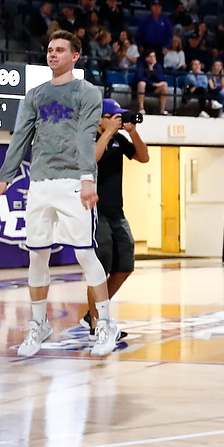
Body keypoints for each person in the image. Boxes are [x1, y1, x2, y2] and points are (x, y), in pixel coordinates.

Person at [0, 34, 116, 356]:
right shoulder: (35, 95)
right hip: (41, 182)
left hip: (73, 181)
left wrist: (87, 179)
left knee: (85, 254)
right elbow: (20, 137)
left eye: (60, 50)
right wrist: (5, 178)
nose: (53, 54)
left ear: (75, 56)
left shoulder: (87, 92)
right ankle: (39, 324)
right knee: (37, 255)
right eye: (49, 50)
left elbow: (86, 136)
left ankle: (105, 324)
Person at [82, 99, 149, 334]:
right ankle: (97, 323)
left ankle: (94, 312)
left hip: (117, 212)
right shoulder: (88, 138)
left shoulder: (120, 140)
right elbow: (91, 159)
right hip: (95, 211)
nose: (117, 121)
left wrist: (133, 133)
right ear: (100, 119)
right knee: (100, 267)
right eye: (112, 117)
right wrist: (108, 133)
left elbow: (144, 157)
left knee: (125, 264)